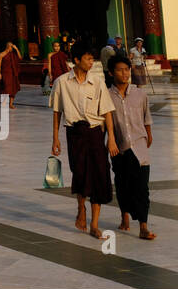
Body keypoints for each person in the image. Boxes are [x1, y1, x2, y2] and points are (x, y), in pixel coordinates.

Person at [50, 40, 119, 239]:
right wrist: (55, 139)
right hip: (75, 134)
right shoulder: (61, 82)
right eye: (88, 58)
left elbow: (107, 111)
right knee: (79, 173)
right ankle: (81, 207)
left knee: (99, 175)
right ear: (77, 60)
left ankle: (94, 225)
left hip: (95, 132)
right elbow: (57, 112)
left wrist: (111, 138)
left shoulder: (97, 82)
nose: (91, 62)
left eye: (92, 58)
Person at [108, 56, 155, 240]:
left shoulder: (140, 94)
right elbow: (106, 123)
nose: (124, 73)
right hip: (120, 147)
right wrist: (109, 141)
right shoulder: (106, 96)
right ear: (111, 72)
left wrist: (149, 135)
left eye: (127, 69)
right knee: (122, 185)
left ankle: (143, 225)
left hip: (140, 145)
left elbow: (146, 117)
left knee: (142, 187)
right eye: (119, 70)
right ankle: (124, 215)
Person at [0, 40, 22, 109]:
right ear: (8, 47)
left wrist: (16, 49)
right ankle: (4, 102)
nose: (12, 48)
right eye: (11, 47)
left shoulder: (13, 54)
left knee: (13, 89)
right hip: (5, 73)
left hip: (13, 73)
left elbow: (20, 58)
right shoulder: (1, 54)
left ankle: (11, 104)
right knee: (6, 88)